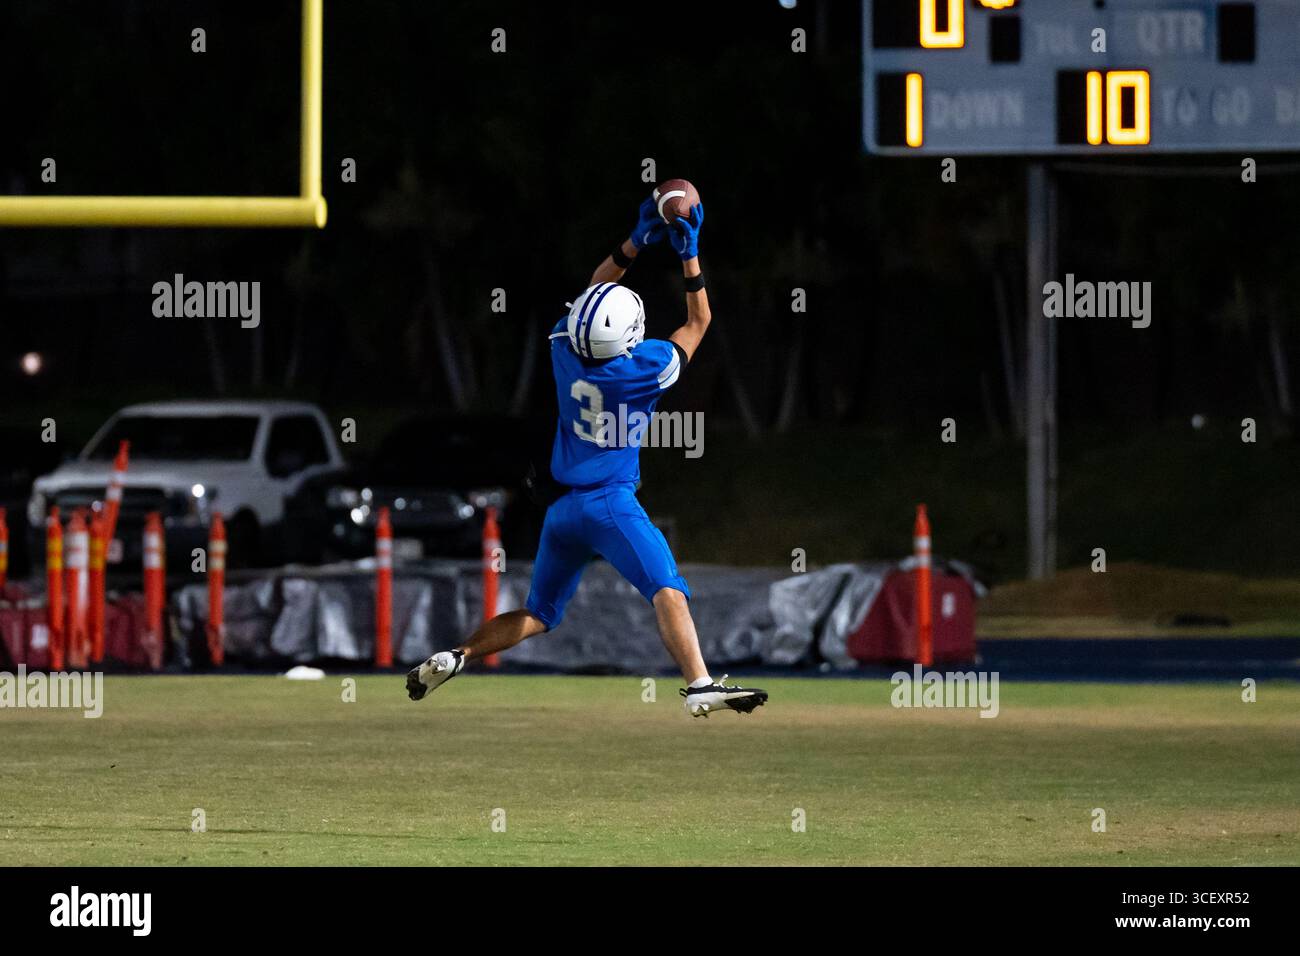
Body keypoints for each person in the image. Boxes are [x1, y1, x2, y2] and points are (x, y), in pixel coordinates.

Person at [406, 194, 767, 717]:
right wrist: (689, 252)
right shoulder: (640, 370)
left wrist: (634, 241)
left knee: (539, 612)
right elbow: (698, 322)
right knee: (667, 587)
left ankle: (459, 654)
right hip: (609, 504)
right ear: (628, 338)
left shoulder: (565, 353)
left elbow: (596, 291)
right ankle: (701, 684)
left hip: (562, 511)